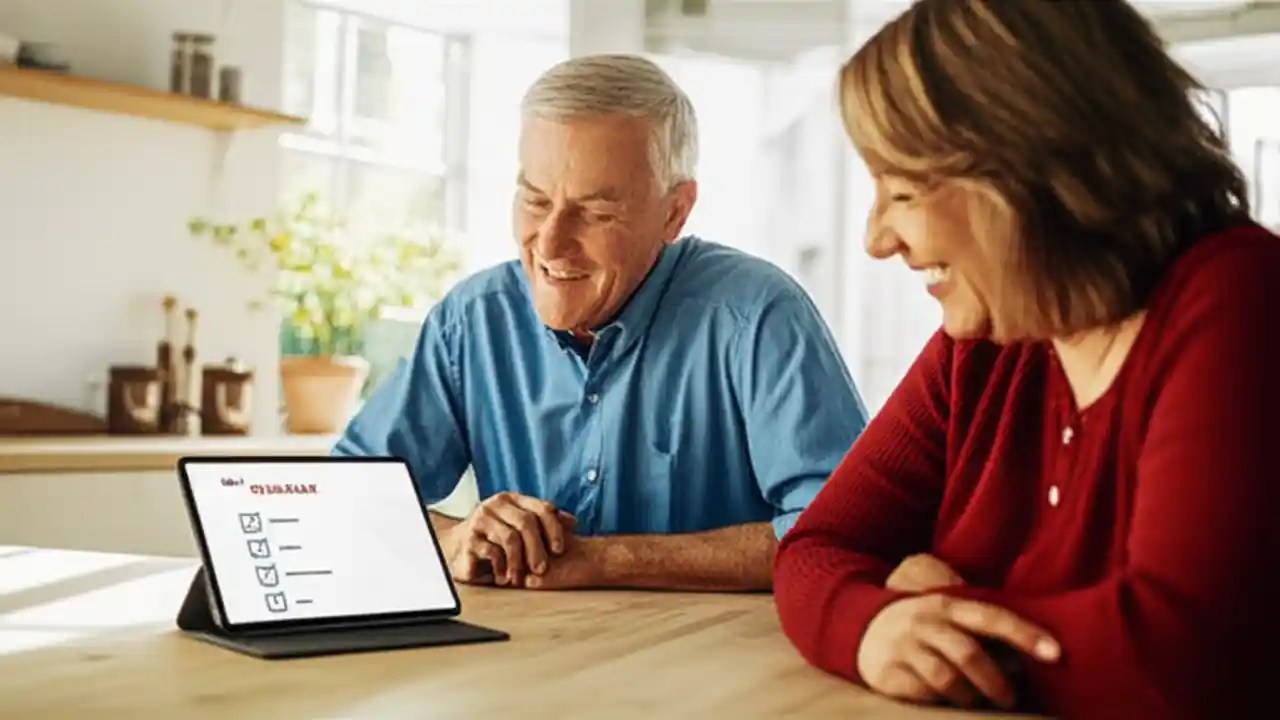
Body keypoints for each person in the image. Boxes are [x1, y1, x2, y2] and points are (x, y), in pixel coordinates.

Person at [773, 1, 1279, 718]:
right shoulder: (982, 347)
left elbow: (1175, 654)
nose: (877, 238)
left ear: (1024, 177)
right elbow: (817, 545)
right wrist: (874, 624)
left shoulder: (1239, 299)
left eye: (905, 191)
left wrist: (935, 608)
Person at [334, 54, 868, 593]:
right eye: (535, 200)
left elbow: (844, 534)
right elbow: (342, 498)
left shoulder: (757, 317)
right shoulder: (471, 321)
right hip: (520, 662)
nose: (549, 243)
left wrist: (606, 560)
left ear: (675, 212)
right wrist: (453, 540)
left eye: (595, 213)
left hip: (714, 666)